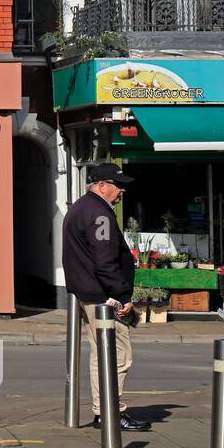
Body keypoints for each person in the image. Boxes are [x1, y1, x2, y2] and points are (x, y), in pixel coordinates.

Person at [62, 162, 150, 432]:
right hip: (104, 296)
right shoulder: (99, 214)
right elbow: (105, 262)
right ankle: (111, 412)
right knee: (117, 354)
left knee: (101, 352)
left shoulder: (80, 208)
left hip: (87, 292)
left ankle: (104, 410)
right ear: (101, 186)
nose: (122, 190)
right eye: (117, 185)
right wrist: (123, 297)